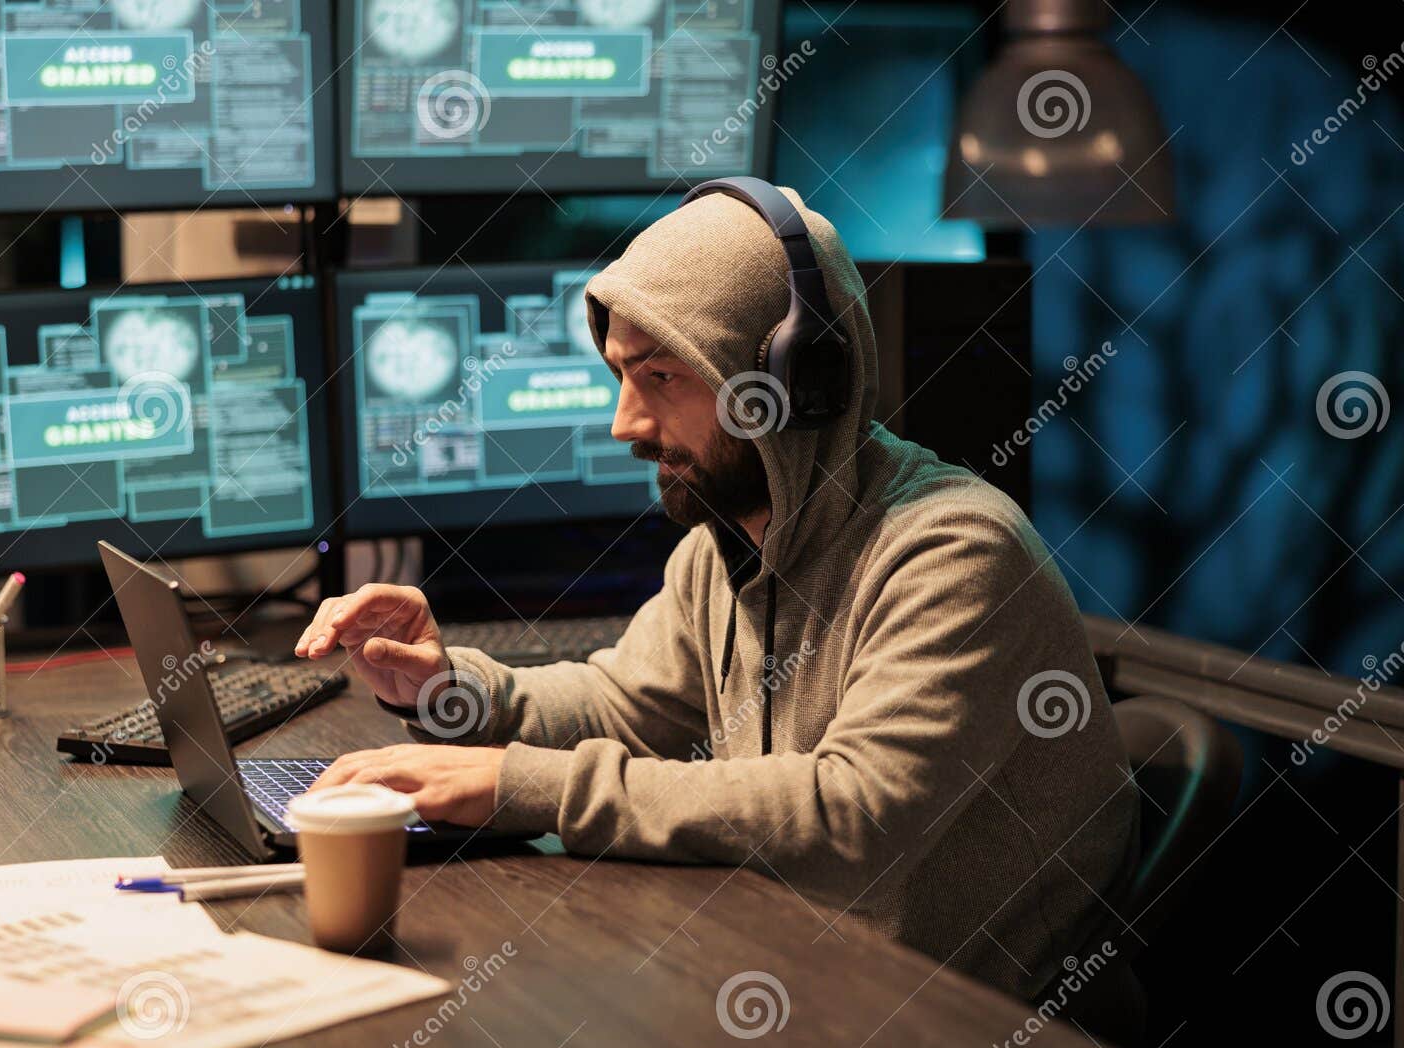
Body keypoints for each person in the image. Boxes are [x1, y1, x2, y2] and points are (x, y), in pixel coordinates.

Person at [296, 183, 1138, 999]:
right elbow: (627, 705)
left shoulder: (954, 551)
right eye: (622, 375)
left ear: (791, 380)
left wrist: (518, 784)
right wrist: (455, 692)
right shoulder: (727, 541)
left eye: (662, 376)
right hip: (798, 974)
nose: (624, 422)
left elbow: (855, 810)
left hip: (964, 1039)